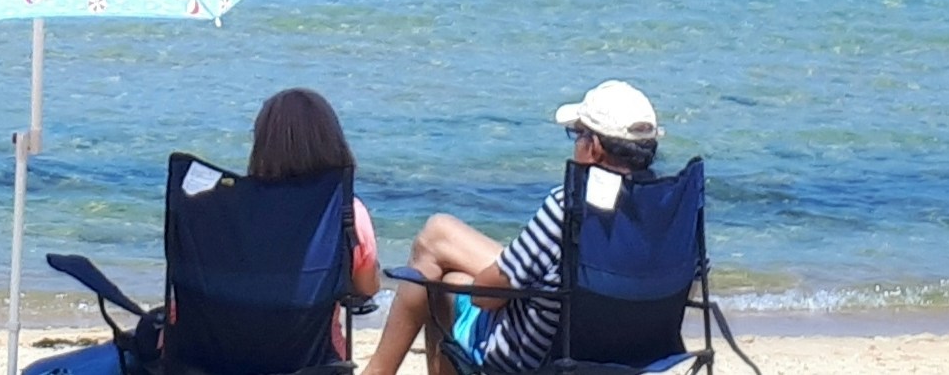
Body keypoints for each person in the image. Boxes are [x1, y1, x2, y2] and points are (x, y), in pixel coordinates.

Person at [359, 81, 661, 375]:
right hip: (626, 353)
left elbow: (485, 297)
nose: (574, 145)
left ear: (594, 148)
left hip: (531, 356)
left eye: (576, 134)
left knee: (440, 268)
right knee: (443, 242)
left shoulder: (570, 208)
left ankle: (378, 371)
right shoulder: (663, 211)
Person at [244, 89, 383, 361]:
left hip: (216, 358)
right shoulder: (347, 214)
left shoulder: (223, 209)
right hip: (312, 361)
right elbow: (366, 288)